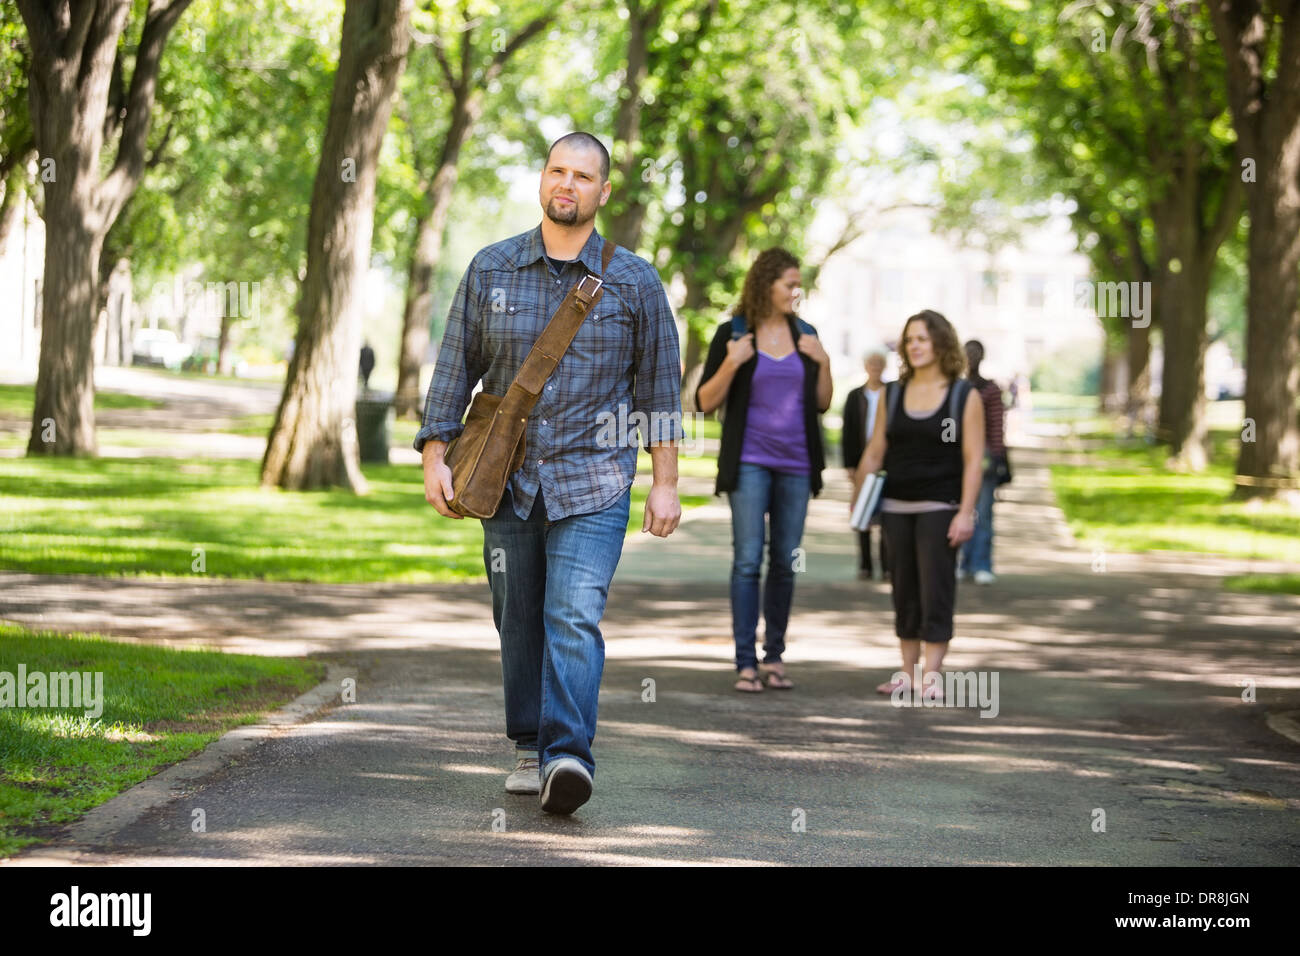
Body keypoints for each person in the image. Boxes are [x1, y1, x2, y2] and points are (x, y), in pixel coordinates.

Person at [415, 132, 683, 814]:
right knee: (519, 616)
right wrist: (434, 456)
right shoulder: (491, 268)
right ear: (543, 179)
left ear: (603, 192)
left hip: (594, 481)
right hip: (505, 479)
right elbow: (455, 368)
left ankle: (569, 756)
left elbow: (658, 389)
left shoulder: (633, 281)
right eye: (557, 171)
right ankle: (530, 746)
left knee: (573, 612)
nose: (567, 184)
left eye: (582, 175)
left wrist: (665, 479)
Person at [696, 248, 831, 693]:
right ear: (766, 284)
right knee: (748, 559)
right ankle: (745, 662)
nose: (796, 291)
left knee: (786, 562)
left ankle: (774, 657)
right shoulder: (733, 334)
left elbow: (822, 402)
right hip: (750, 462)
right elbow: (704, 402)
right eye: (790, 284)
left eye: (798, 284)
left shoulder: (807, 334)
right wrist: (733, 361)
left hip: (796, 463)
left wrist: (824, 362)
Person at [852, 310, 983, 701]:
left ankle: (933, 676)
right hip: (895, 506)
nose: (915, 346)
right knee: (903, 590)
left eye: (923, 338)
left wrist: (966, 511)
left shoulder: (963, 395)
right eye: (910, 339)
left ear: (942, 343)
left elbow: (974, 458)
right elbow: (876, 451)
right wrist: (858, 499)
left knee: (936, 589)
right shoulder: (892, 393)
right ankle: (906, 674)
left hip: (940, 507)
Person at [957, 339, 1007, 585]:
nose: (972, 357)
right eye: (968, 353)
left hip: (985, 459)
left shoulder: (991, 389)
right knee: (962, 511)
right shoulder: (956, 387)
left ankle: (982, 564)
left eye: (976, 353)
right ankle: (964, 563)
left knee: (983, 514)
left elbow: (997, 426)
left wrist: (998, 457)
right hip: (958, 460)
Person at [842, 349, 891, 580]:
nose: (875, 367)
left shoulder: (891, 392)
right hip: (862, 458)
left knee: (886, 514)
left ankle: (887, 565)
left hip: (887, 459)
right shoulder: (855, 396)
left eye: (879, 363)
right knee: (862, 512)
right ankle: (865, 564)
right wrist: (850, 465)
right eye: (871, 363)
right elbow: (848, 432)